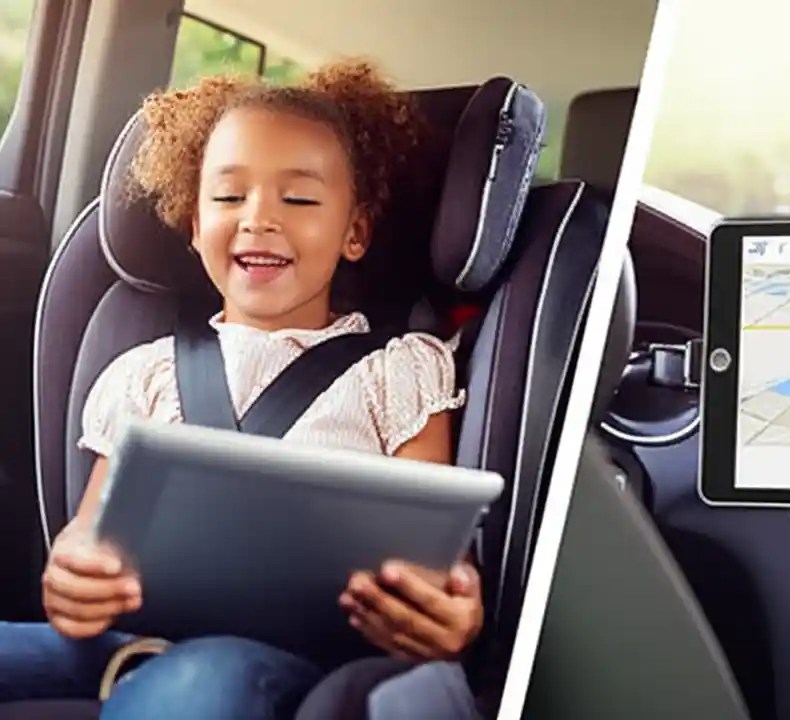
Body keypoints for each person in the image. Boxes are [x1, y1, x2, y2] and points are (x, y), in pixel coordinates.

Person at [0, 59, 486, 720]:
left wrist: (445, 605)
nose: (258, 219)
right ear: (195, 223)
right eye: (229, 197)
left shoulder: (397, 370)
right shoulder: (141, 373)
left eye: (300, 198)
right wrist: (73, 576)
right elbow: (89, 533)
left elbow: (431, 547)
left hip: (284, 657)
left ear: (355, 231)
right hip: (128, 640)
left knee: (200, 684)